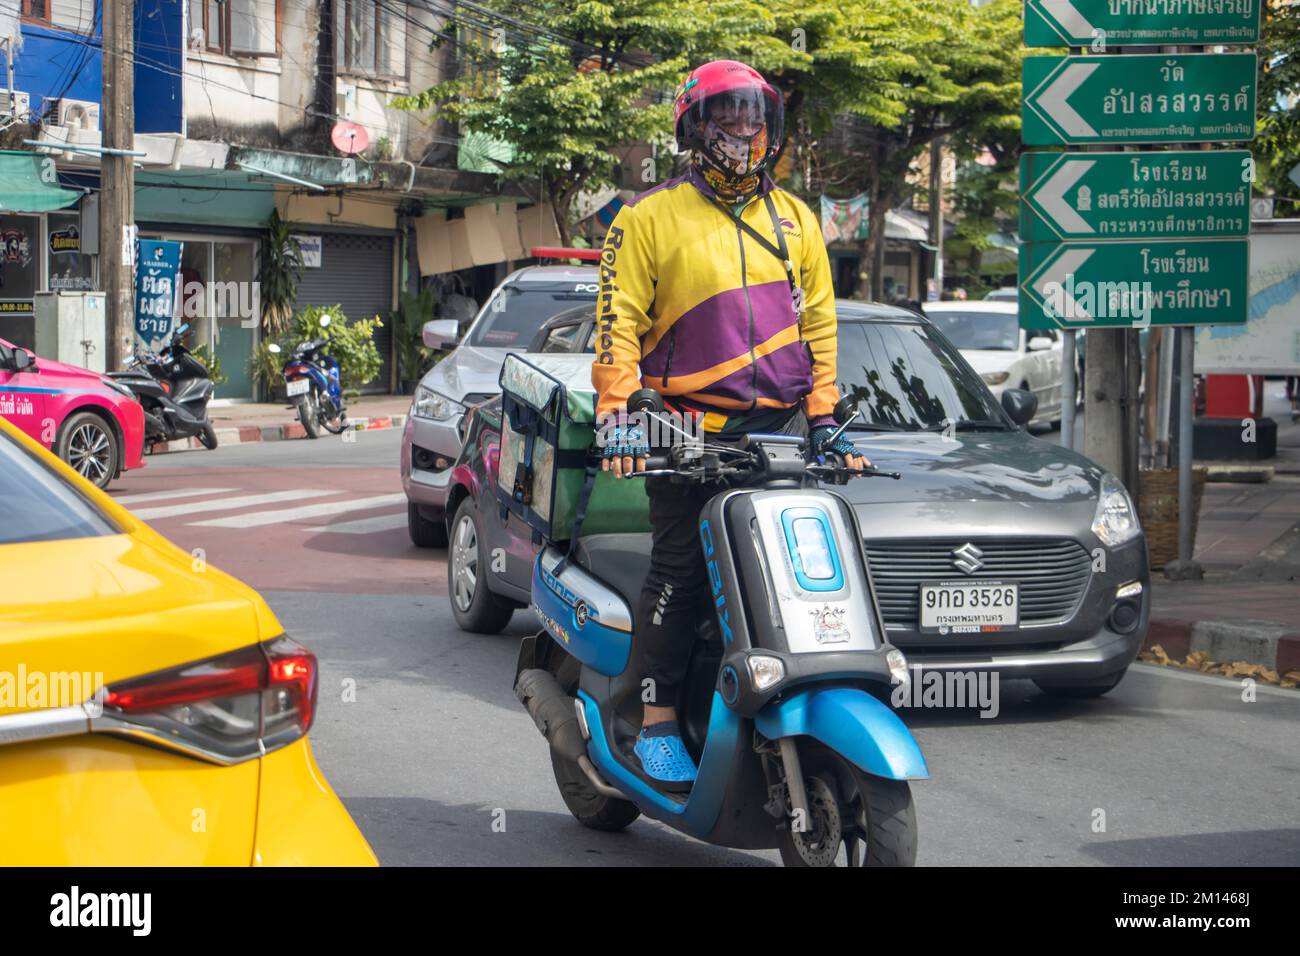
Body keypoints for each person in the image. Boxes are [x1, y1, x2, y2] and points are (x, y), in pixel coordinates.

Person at [591, 59, 869, 788]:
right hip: (684, 430)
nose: (743, 133)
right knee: (681, 574)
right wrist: (618, 414)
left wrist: (825, 417)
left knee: (788, 576)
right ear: (695, 128)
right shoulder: (648, 217)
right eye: (728, 120)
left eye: (754, 120)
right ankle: (649, 722)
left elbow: (821, 326)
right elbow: (616, 322)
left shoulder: (796, 219)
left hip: (777, 432)